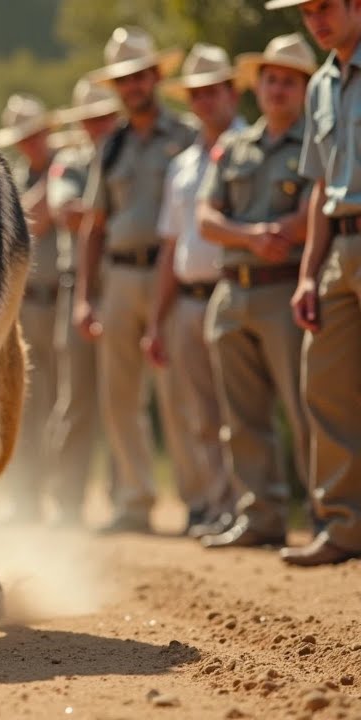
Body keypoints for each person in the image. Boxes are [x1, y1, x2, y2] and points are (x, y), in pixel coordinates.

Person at [192, 33, 317, 550]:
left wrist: (280, 233)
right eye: (270, 79)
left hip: (286, 289)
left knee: (307, 409)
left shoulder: (315, 141)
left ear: (306, 89)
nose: (277, 89)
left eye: (288, 81)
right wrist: (254, 236)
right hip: (232, 293)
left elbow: (318, 209)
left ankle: (327, 517)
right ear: (257, 87)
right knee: (240, 418)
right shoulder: (235, 147)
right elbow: (204, 216)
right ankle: (260, 515)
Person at [74, 27, 196, 534]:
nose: (132, 86)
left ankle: (200, 503)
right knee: (119, 395)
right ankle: (134, 500)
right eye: (123, 80)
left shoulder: (187, 136)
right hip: (120, 276)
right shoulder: (112, 146)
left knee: (181, 392)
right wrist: (84, 298)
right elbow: (93, 225)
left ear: (155, 78)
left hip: (175, 277)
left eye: (139, 76)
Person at [145, 44, 246, 537]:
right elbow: (170, 247)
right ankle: (216, 504)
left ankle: (250, 504)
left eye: (213, 91)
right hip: (186, 301)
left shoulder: (254, 146)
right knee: (201, 415)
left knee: (241, 410)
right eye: (197, 94)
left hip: (238, 292)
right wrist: (156, 321)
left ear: (232, 92)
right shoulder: (182, 164)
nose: (205, 101)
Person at [275, 0, 361, 565]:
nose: (316, 20)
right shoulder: (321, 85)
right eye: (306, 12)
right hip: (339, 247)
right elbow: (320, 186)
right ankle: (343, 527)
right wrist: (308, 275)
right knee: (324, 385)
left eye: (325, 7)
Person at [45, 76, 123, 526]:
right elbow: (66, 209)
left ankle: (122, 499)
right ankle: (69, 501)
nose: (99, 125)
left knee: (120, 400)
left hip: (121, 281)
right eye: (92, 119)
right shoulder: (70, 161)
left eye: (105, 117)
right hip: (77, 286)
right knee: (74, 402)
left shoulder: (122, 154)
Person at [0, 94, 61, 524]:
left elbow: (35, 218)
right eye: (24, 138)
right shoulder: (18, 177)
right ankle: (25, 496)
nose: (30, 144)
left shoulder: (60, 171)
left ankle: (57, 496)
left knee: (60, 405)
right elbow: (33, 217)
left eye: (35, 135)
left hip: (58, 297)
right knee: (22, 404)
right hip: (23, 303)